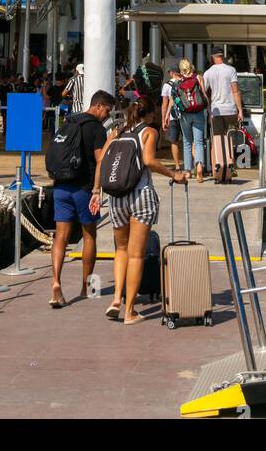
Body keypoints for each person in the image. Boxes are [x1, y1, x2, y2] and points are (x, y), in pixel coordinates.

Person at [91, 95, 189, 325]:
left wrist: (96, 191)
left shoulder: (117, 132)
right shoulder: (149, 132)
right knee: (136, 254)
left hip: (116, 198)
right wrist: (174, 174)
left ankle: (116, 299)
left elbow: (101, 162)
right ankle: (130, 311)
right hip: (140, 196)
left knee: (121, 250)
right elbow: (149, 161)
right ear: (149, 114)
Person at [49, 90, 114, 308]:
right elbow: (100, 160)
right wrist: (99, 189)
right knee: (89, 236)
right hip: (84, 190)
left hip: (60, 187)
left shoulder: (70, 121)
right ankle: (88, 287)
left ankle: (56, 283)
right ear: (98, 106)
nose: (107, 115)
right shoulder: (96, 128)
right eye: (107, 110)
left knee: (61, 237)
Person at [202, 50, 244, 183]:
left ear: (213, 57)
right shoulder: (231, 70)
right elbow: (235, 91)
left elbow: (204, 93)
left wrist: (209, 109)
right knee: (229, 140)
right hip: (231, 110)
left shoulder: (208, 73)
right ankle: (230, 171)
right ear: (222, 56)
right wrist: (240, 110)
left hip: (216, 111)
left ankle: (218, 172)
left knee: (217, 141)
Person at [172, 58, 208, 184]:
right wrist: (207, 108)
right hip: (198, 113)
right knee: (198, 142)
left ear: (180, 70)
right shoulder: (198, 78)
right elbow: (203, 94)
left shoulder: (177, 82)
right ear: (191, 67)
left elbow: (175, 100)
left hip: (185, 115)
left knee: (187, 142)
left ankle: (187, 171)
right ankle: (199, 167)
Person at [160, 66, 182, 170]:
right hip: (186, 114)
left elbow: (165, 104)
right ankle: (196, 165)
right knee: (190, 141)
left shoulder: (167, 85)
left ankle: (177, 166)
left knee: (174, 141)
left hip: (173, 116)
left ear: (172, 73)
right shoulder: (184, 81)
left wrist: (164, 118)